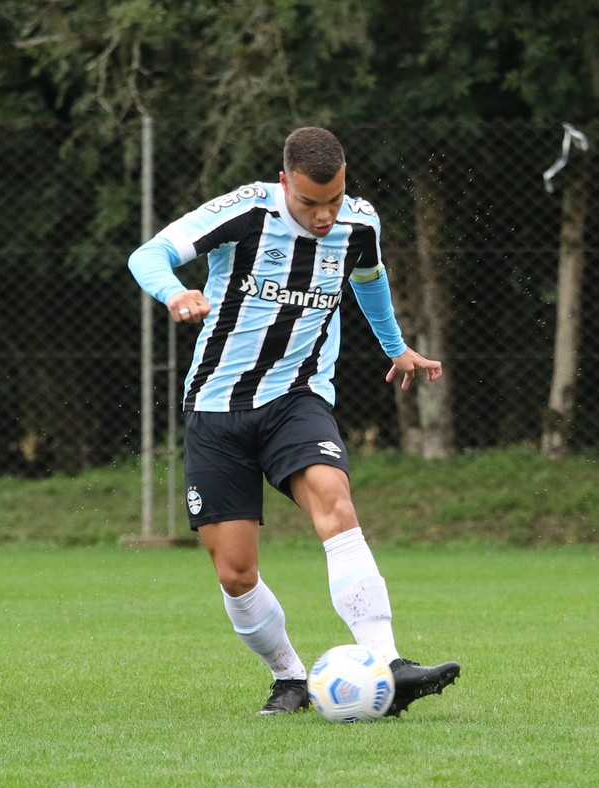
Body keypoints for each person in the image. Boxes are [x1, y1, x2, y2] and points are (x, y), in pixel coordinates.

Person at [128, 126, 459, 716]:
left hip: (297, 398)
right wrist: (173, 293)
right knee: (235, 572)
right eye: (310, 203)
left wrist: (395, 347)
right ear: (285, 183)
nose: (326, 215)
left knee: (335, 500)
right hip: (216, 408)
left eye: (334, 199)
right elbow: (147, 255)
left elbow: (370, 281)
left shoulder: (360, 223)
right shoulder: (244, 212)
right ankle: (288, 677)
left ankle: (389, 661)